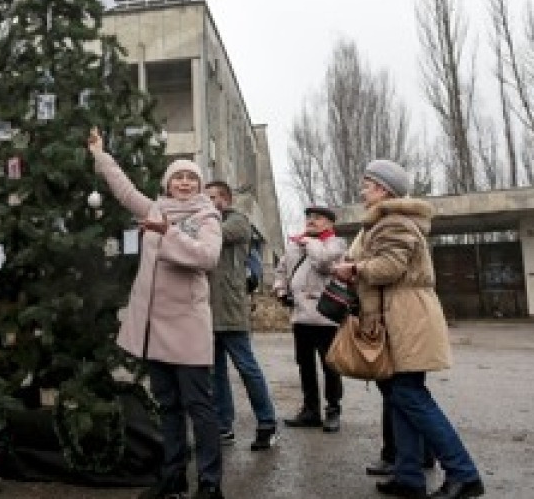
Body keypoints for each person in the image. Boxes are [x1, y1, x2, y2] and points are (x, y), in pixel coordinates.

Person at [330, 160, 484, 499]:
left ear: (384, 189)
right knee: (398, 397)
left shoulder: (395, 222)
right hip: (397, 315)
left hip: (406, 317)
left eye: (367, 184)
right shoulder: (385, 222)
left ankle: (464, 474)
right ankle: (409, 475)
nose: (362, 190)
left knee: (409, 396)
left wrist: (352, 269)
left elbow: (389, 268)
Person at [87, 129, 226, 499]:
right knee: (167, 406)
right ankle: (172, 477)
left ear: (198, 185)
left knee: (199, 407)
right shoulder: (155, 209)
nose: (184, 182)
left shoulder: (206, 215)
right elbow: (124, 189)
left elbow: (207, 258)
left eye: (190, 178)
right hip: (155, 327)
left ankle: (210, 485)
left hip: (188, 327)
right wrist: (101, 155)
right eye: (178, 177)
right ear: (168, 183)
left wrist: (168, 234)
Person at [204, 181, 279, 451]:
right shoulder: (209, 220)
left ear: (226, 199)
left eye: (213, 197)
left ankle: (267, 423)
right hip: (207, 311)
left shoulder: (238, 222)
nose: (208, 201)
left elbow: (211, 235)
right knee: (215, 374)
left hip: (232, 309)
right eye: (206, 196)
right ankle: (224, 426)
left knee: (247, 368)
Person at [273, 205, 347, 433]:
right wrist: (280, 289)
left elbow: (324, 263)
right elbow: (282, 269)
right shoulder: (295, 244)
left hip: (326, 316)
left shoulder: (336, 244)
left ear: (329, 224)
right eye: (309, 217)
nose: (311, 221)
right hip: (301, 316)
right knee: (305, 365)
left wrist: (310, 243)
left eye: (318, 218)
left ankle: (333, 410)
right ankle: (310, 411)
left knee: (330, 366)